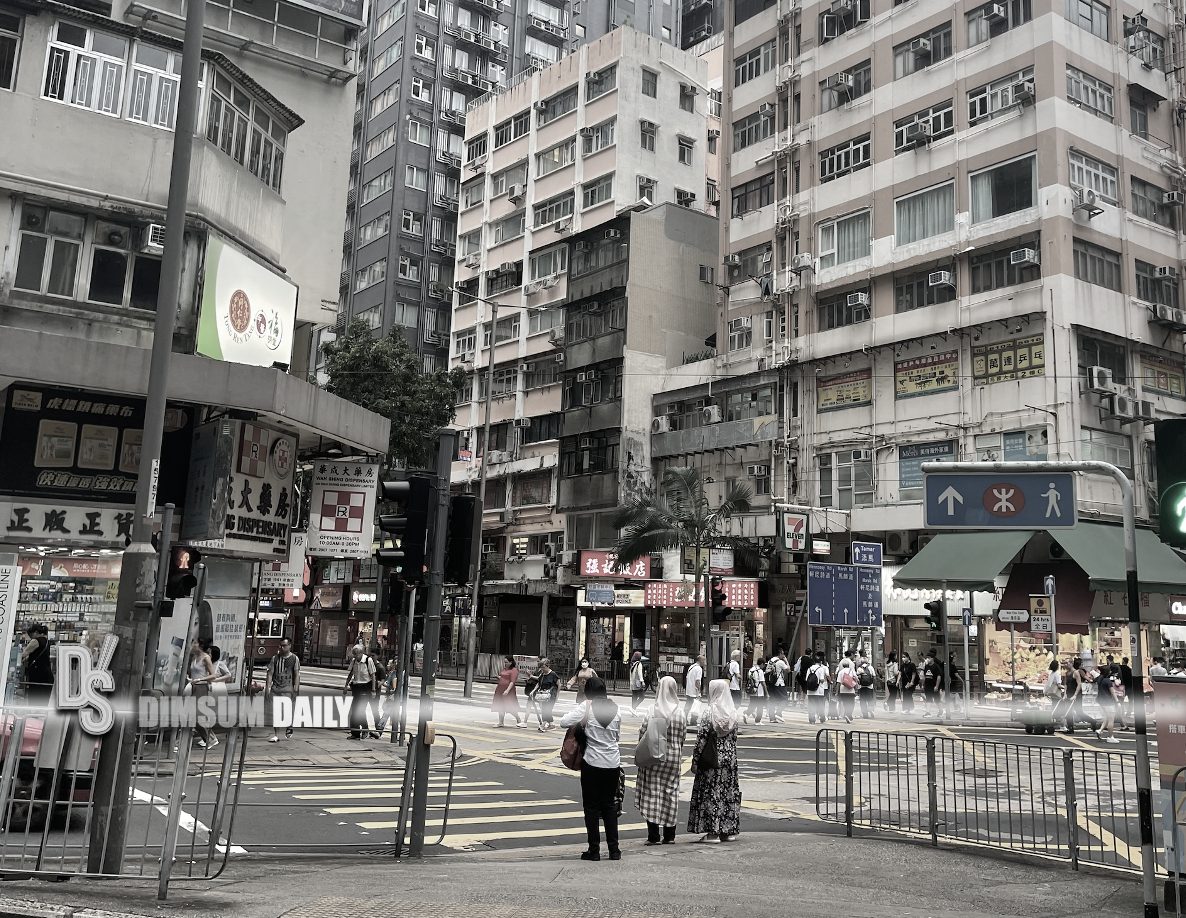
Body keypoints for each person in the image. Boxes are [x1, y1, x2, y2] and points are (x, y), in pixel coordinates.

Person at [560, 677, 622, 861]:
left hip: (592, 763)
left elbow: (564, 722)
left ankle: (593, 850)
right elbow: (616, 737)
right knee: (609, 806)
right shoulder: (617, 710)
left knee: (591, 807)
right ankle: (614, 850)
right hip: (613, 763)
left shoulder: (587, 706)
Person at [687, 680, 742, 843]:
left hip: (713, 758)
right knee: (728, 793)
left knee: (712, 794)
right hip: (730, 759)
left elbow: (702, 739)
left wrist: (695, 760)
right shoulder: (733, 712)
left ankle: (713, 833)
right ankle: (728, 831)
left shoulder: (709, 712)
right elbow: (734, 738)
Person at [636, 675, 688, 845]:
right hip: (673, 759)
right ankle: (670, 835)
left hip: (654, 757)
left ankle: (653, 835)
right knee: (670, 793)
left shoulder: (653, 710)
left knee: (653, 793)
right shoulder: (680, 712)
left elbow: (643, 733)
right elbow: (683, 736)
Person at [265, 638, 300, 743]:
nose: (281, 647)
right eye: (280, 645)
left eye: (284, 645)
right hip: (276, 689)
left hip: (288, 689)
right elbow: (270, 673)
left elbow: (297, 675)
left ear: (289, 646)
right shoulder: (275, 658)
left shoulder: (294, 659)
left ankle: (289, 724)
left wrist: (296, 688)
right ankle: (276, 734)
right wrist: (268, 687)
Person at [187, 638, 218, 749]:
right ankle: (210, 738)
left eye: (194, 643)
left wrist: (200, 680)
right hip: (193, 687)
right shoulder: (194, 657)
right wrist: (190, 679)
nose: (192, 645)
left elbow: (213, 675)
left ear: (199, 645)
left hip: (201, 688)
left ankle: (210, 738)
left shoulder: (206, 658)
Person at [344, 644, 378, 740]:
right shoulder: (354, 661)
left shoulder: (368, 660)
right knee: (354, 711)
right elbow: (351, 674)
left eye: (356, 654)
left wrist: (373, 690)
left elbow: (373, 676)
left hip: (365, 688)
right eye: (354, 654)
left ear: (361, 653)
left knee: (360, 710)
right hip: (356, 687)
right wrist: (346, 686)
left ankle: (365, 729)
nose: (355, 656)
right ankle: (355, 733)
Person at [1063, 658, 1102, 737]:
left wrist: (1075, 695)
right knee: (1068, 711)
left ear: (1071, 663)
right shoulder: (1067, 673)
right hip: (1069, 694)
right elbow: (1066, 684)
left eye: (1067, 663)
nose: (1066, 665)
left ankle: (1093, 721)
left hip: (1076, 695)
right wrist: (1065, 694)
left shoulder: (1076, 672)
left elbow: (1079, 684)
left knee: (1079, 713)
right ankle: (1070, 728)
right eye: (1065, 663)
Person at [20, 624, 54, 704]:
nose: (31, 637)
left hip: (37, 675)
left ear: (35, 632)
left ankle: (33, 715)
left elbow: (24, 654)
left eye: (31, 635)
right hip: (47, 675)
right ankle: (40, 715)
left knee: (34, 697)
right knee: (43, 700)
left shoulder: (36, 641)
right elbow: (38, 655)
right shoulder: (46, 641)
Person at [492, 655, 526, 728]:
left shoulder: (514, 670)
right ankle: (501, 722)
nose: (505, 664)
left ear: (511, 662)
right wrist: (498, 677)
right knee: (500, 705)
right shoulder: (504, 669)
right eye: (504, 662)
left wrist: (507, 690)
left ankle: (518, 719)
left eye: (506, 662)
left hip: (509, 690)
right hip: (500, 688)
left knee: (509, 705)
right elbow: (503, 678)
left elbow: (512, 681)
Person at [1095, 664, 1122, 744]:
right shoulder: (1108, 681)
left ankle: (1100, 730)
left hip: (1101, 701)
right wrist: (1117, 701)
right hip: (1108, 702)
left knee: (1107, 717)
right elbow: (1113, 692)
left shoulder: (1100, 678)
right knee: (1111, 719)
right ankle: (1110, 737)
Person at [532, 659, 561, 731]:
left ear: (548, 666)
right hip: (543, 695)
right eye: (541, 667)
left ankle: (543, 725)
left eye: (543, 667)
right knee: (545, 709)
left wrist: (557, 695)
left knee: (547, 709)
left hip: (551, 695)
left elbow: (559, 684)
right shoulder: (542, 674)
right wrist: (533, 691)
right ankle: (551, 724)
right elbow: (538, 683)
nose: (542, 669)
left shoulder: (553, 674)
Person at [805, 651, 830, 725]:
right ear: (820, 662)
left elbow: (807, 679)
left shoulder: (809, 669)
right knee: (820, 705)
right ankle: (822, 718)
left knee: (811, 705)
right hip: (819, 691)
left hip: (810, 691)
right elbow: (822, 680)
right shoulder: (821, 669)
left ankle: (811, 719)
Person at [743, 657, 767, 725]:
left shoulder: (751, 670)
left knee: (752, 705)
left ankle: (746, 715)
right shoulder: (760, 671)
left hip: (752, 690)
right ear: (762, 664)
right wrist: (766, 693)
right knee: (760, 706)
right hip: (759, 691)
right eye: (764, 664)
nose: (764, 666)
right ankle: (758, 721)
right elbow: (763, 683)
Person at [835, 657, 857, 723]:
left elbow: (838, 683)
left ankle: (847, 714)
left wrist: (836, 692)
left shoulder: (840, 672)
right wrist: (856, 689)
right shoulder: (852, 671)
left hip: (843, 690)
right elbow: (856, 679)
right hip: (851, 689)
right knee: (852, 703)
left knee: (845, 703)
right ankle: (848, 714)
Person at [921, 650, 943, 717]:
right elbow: (924, 676)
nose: (927, 659)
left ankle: (941, 710)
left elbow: (939, 676)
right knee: (928, 698)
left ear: (932, 658)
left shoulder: (936, 666)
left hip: (934, 685)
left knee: (937, 699)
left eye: (929, 658)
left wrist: (936, 686)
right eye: (927, 658)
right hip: (927, 685)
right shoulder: (926, 666)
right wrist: (923, 684)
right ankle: (928, 712)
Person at [1118, 656, 1134, 729]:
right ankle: (1129, 712)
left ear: (1123, 661)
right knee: (1131, 700)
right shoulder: (1129, 669)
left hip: (1122, 686)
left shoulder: (1120, 668)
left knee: (1121, 700)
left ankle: (1122, 713)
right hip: (1129, 686)